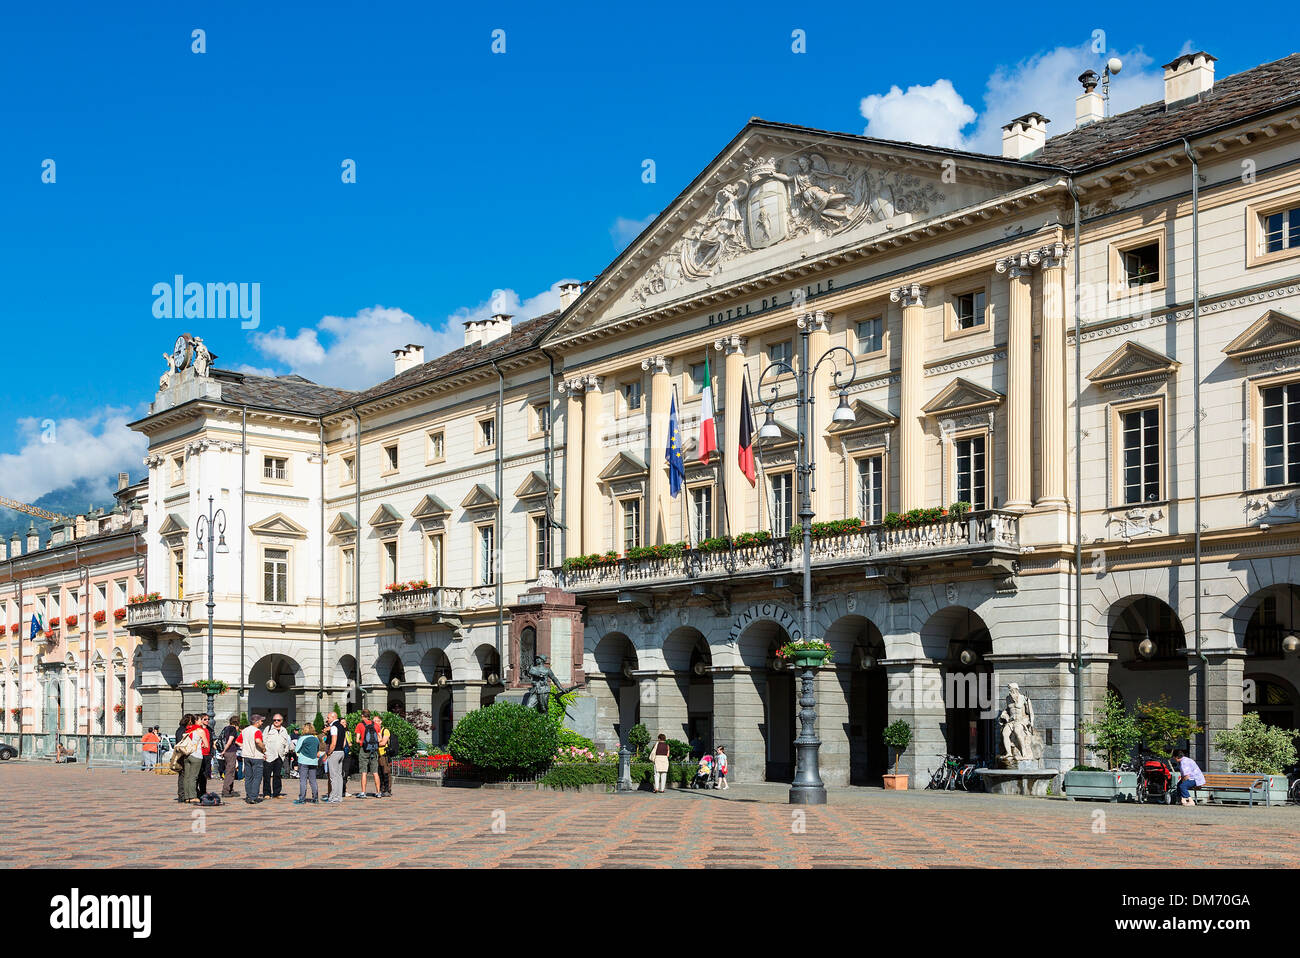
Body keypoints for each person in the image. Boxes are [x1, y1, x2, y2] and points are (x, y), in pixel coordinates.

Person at [353, 710, 382, 798]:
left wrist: (363, 742)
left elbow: (357, 740)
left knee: (364, 772)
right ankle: (378, 792)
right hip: (374, 750)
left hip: (364, 749)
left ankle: (363, 792)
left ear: (362, 716)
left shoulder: (360, 725)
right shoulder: (375, 725)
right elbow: (380, 738)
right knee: (375, 772)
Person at [262, 713, 292, 799]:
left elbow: (286, 743)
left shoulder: (284, 730)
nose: (276, 722)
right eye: (274, 720)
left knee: (277, 775)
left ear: (281, 721)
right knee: (267, 776)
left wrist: (285, 752)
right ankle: (266, 793)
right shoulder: (268, 729)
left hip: (280, 756)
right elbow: (263, 741)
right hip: (269, 756)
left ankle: (276, 793)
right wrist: (264, 753)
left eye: (278, 720)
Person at [240, 714, 268, 804]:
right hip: (256, 756)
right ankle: (253, 796)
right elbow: (258, 741)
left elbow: (238, 741)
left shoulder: (245, 730)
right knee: (257, 777)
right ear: (256, 722)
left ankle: (248, 796)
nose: (262, 722)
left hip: (246, 756)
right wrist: (263, 748)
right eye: (261, 721)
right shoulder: (257, 731)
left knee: (248, 777)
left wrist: (245, 747)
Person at [178, 715, 205, 805]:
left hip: (187, 755)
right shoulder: (200, 730)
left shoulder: (187, 730)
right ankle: (193, 797)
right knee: (193, 777)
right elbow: (207, 745)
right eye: (201, 720)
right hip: (196, 755)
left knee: (187, 777)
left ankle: (186, 797)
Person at [322, 711, 347, 804]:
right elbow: (344, 742)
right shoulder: (342, 726)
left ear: (333, 717)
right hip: (341, 752)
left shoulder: (334, 727)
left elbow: (333, 742)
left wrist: (329, 753)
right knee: (339, 775)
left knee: (333, 776)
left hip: (335, 752)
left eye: (328, 718)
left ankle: (333, 797)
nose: (327, 720)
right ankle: (339, 796)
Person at [293, 723, 321, 804]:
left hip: (303, 761)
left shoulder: (302, 738)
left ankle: (302, 799)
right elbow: (317, 750)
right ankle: (315, 798)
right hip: (313, 761)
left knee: (303, 781)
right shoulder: (316, 739)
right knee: (313, 781)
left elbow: (297, 749)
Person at [217, 715, 241, 797]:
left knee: (230, 771)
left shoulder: (226, 728)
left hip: (227, 752)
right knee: (230, 772)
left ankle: (230, 789)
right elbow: (230, 741)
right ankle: (226, 791)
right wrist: (224, 750)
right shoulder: (233, 729)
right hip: (230, 751)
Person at [195, 714, 213, 798]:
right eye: (205, 719)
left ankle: (203, 791)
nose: (207, 721)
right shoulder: (199, 730)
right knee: (199, 774)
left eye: (208, 719)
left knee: (205, 775)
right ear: (201, 720)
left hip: (208, 754)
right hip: (200, 754)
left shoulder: (209, 730)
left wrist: (211, 753)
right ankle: (196, 791)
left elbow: (211, 742)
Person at [376, 716, 393, 797]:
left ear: (381, 722)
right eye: (374, 721)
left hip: (383, 754)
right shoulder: (374, 731)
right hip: (376, 754)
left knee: (385, 772)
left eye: (377, 721)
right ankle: (381, 789)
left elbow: (383, 743)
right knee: (379, 772)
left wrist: (373, 744)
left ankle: (387, 789)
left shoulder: (385, 731)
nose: (375, 722)